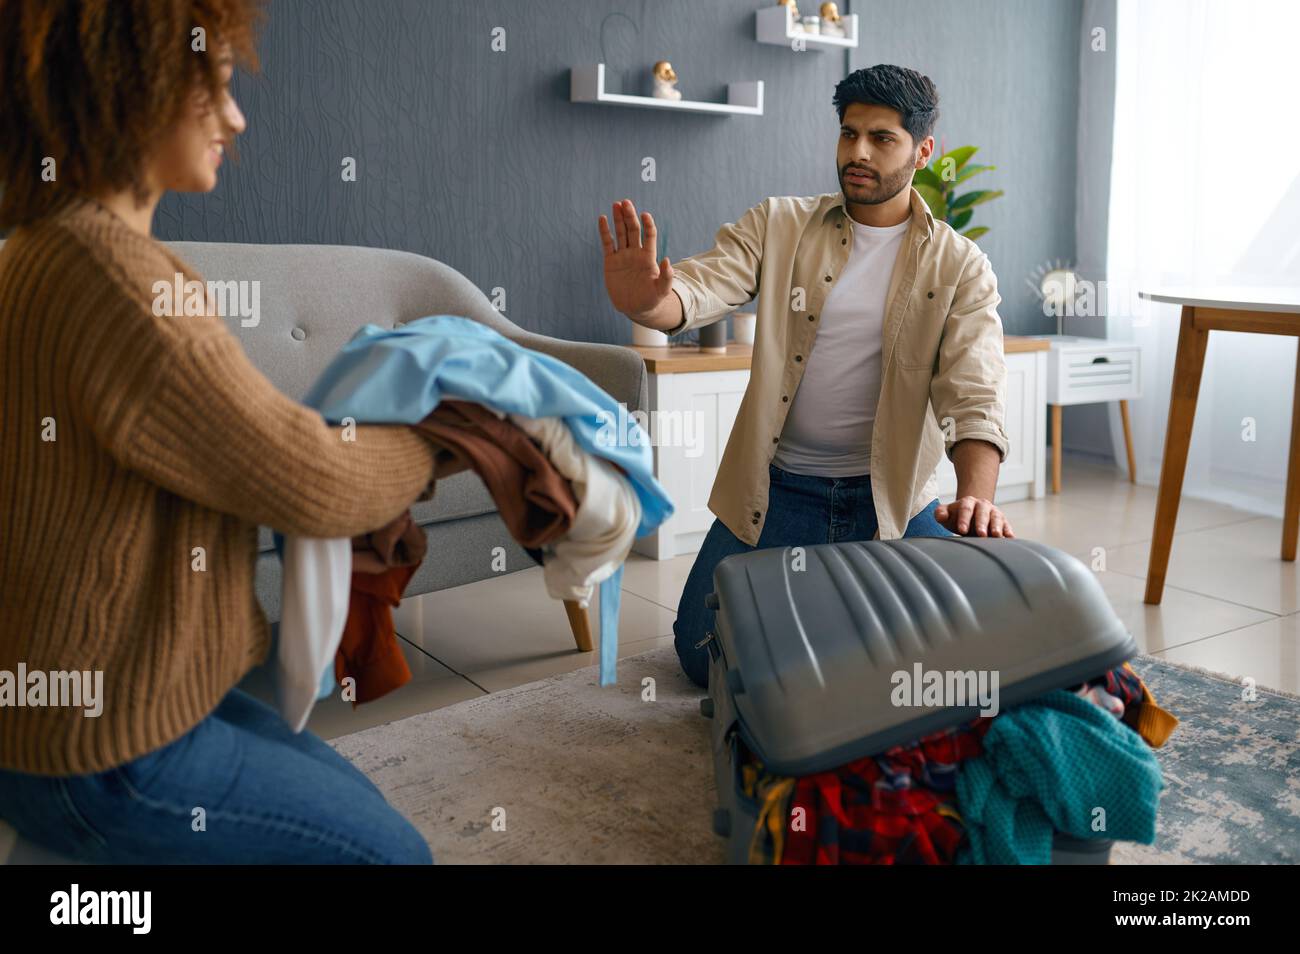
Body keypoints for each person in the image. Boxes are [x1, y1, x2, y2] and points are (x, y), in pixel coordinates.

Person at [0, 0, 435, 863]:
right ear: (131, 86)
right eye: (217, 88)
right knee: (395, 858)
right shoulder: (116, 281)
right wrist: (441, 442)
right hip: (102, 753)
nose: (235, 118)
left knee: (357, 799)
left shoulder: (45, 247)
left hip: (92, 711)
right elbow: (308, 475)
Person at [598, 64, 1015, 688]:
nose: (858, 153)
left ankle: (835, 630)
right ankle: (846, 632)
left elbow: (973, 390)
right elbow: (699, 287)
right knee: (699, 651)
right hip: (777, 494)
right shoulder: (780, 223)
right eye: (849, 134)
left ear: (924, 151)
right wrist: (646, 304)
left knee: (970, 648)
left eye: (882, 138)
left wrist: (977, 496)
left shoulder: (960, 265)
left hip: (895, 500)